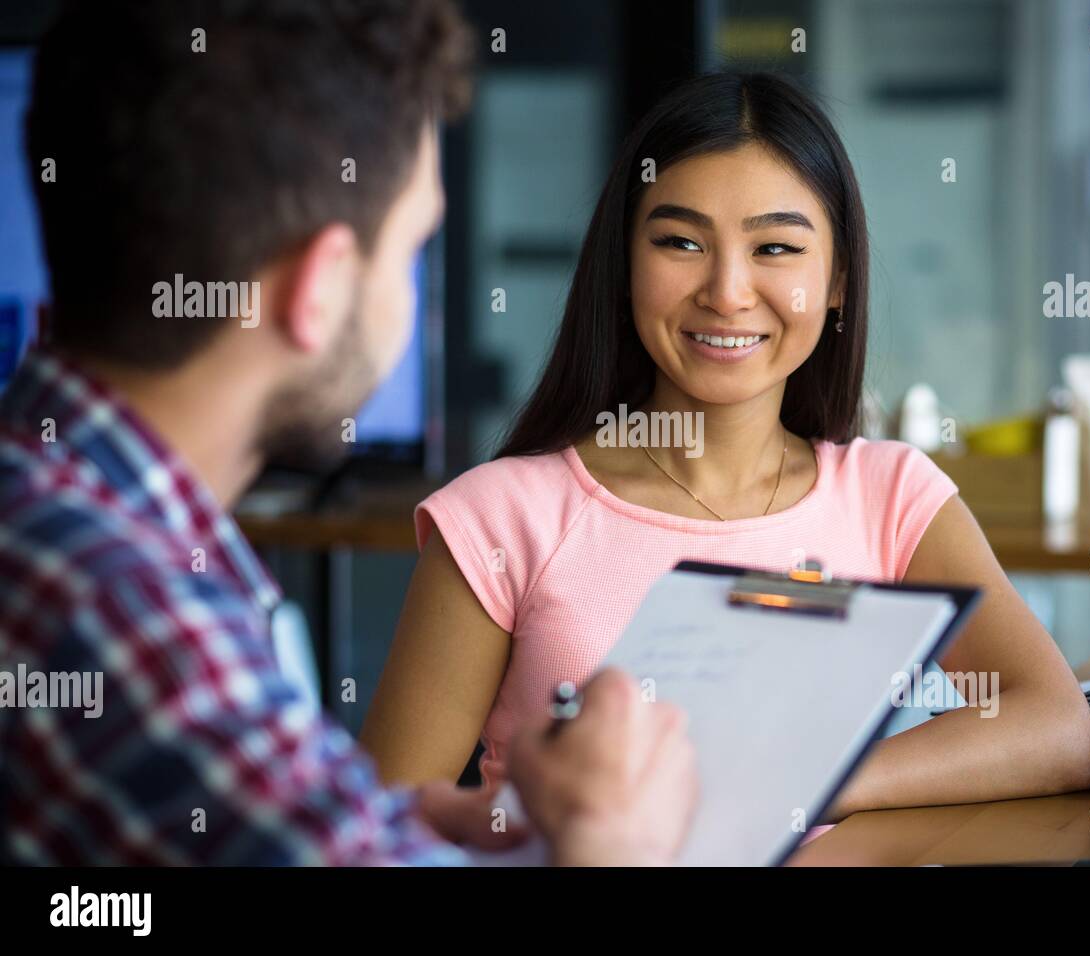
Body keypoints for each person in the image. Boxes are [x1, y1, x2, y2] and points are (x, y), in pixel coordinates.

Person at [0, 0, 695, 866]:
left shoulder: (78, 516)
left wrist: (408, 833)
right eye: (410, 248)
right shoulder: (132, 623)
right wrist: (615, 848)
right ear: (319, 287)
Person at [361, 72, 1090, 819]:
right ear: (624, 265)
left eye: (776, 247)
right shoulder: (501, 518)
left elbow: (1057, 724)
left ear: (837, 279)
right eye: (681, 242)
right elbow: (373, 833)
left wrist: (801, 787)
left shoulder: (892, 496)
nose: (727, 291)